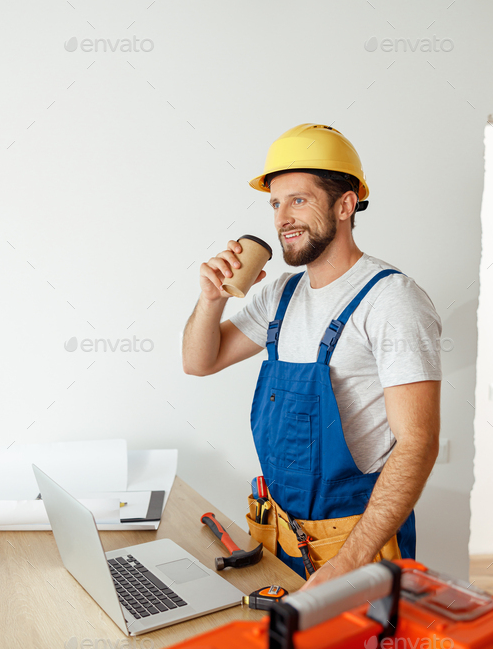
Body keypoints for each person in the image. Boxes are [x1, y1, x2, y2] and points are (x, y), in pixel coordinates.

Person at [182, 123, 442, 589]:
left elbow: (417, 444)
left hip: (358, 549)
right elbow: (200, 361)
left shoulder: (391, 299)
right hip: (282, 539)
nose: (282, 217)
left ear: (345, 205)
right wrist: (211, 298)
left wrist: (345, 565)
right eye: (276, 203)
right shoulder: (281, 294)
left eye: (299, 200)